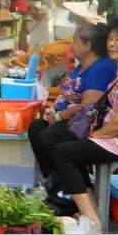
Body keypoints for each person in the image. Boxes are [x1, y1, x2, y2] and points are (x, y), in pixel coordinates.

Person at [27, 22, 114, 194]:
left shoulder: (103, 68)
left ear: (87, 45)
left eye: (75, 41)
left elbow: (89, 105)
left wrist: (59, 116)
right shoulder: (82, 66)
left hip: (90, 121)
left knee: (49, 137)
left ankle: (71, 188)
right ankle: (55, 180)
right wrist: (55, 110)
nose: (71, 45)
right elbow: (70, 94)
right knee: (36, 127)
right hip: (72, 116)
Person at [49, 21, 118, 232]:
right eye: (111, 39)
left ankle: (93, 222)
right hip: (109, 135)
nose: (113, 44)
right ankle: (90, 213)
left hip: (113, 139)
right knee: (70, 147)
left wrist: (97, 134)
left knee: (63, 152)